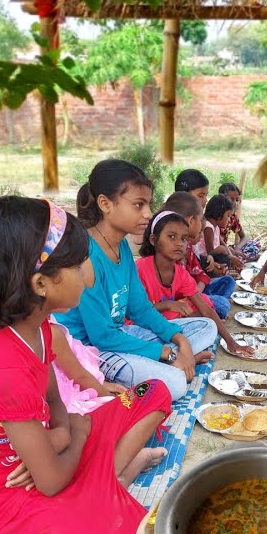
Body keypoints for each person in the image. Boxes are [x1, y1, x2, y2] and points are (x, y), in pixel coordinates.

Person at [0, 196, 171, 534]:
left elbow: (53, 396)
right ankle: (109, 482)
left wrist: (62, 433)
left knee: (153, 392)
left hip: (56, 450)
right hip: (19, 498)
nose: (89, 270)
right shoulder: (0, 367)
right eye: (78, 262)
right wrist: (77, 433)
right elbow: (51, 481)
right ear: (41, 284)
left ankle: (104, 482)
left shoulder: (38, 328)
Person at [54, 160, 219, 402]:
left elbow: (140, 308)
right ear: (105, 204)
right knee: (175, 385)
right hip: (94, 351)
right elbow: (102, 338)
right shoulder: (86, 256)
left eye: (148, 204)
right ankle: (168, 368)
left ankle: (170, 363)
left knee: (207, 327)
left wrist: (179, 339)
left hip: (121, 334)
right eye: (138, 205)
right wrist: (168, 354)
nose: (147, 214)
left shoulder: (121, 245)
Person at [135, 211, 252, 356]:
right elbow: (135, 313)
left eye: (183, 239)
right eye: (171, 237)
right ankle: (175, 354)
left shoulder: (180, 273)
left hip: (168, 325)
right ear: (154, 240)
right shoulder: (139, 269)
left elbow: (205, 310)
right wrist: (168, 305)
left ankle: (173, 353)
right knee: (183, 317)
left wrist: (231, 342)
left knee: (207, 318)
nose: (179, 243)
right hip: (139, 328)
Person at [161, 192, 237, 319]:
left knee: (228, 281)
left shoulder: (189, 249)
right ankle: (211, 307)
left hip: (196, 293)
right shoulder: (169, 255)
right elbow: (177, 294)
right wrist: (197, 296)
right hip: (184, 300)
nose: (200, 235)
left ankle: (211, 305)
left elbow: (201, 274)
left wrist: (211, 269)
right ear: (191, 221)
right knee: (222, 305)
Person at [218, 182, 260, 262]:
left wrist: (238, 248)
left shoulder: (232, 218)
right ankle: (241, 260)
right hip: (219, 251)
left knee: (253, 244)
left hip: (227, 249)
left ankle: (241, 259)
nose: (235, 203)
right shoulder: (215, 218)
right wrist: (230, 251)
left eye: (237, 200)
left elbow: (244, 237)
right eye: (231, 199)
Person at [201, 194, 237, 268]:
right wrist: (229, 257)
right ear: (219, 213)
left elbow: (223, 243)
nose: (229, 220)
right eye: (228, 216)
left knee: (229, 250)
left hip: (214, 257)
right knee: (223, 250)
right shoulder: (208, 228)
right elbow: (210, 253)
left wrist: (231, 256)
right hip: (205, 260)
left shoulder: (216, 227)